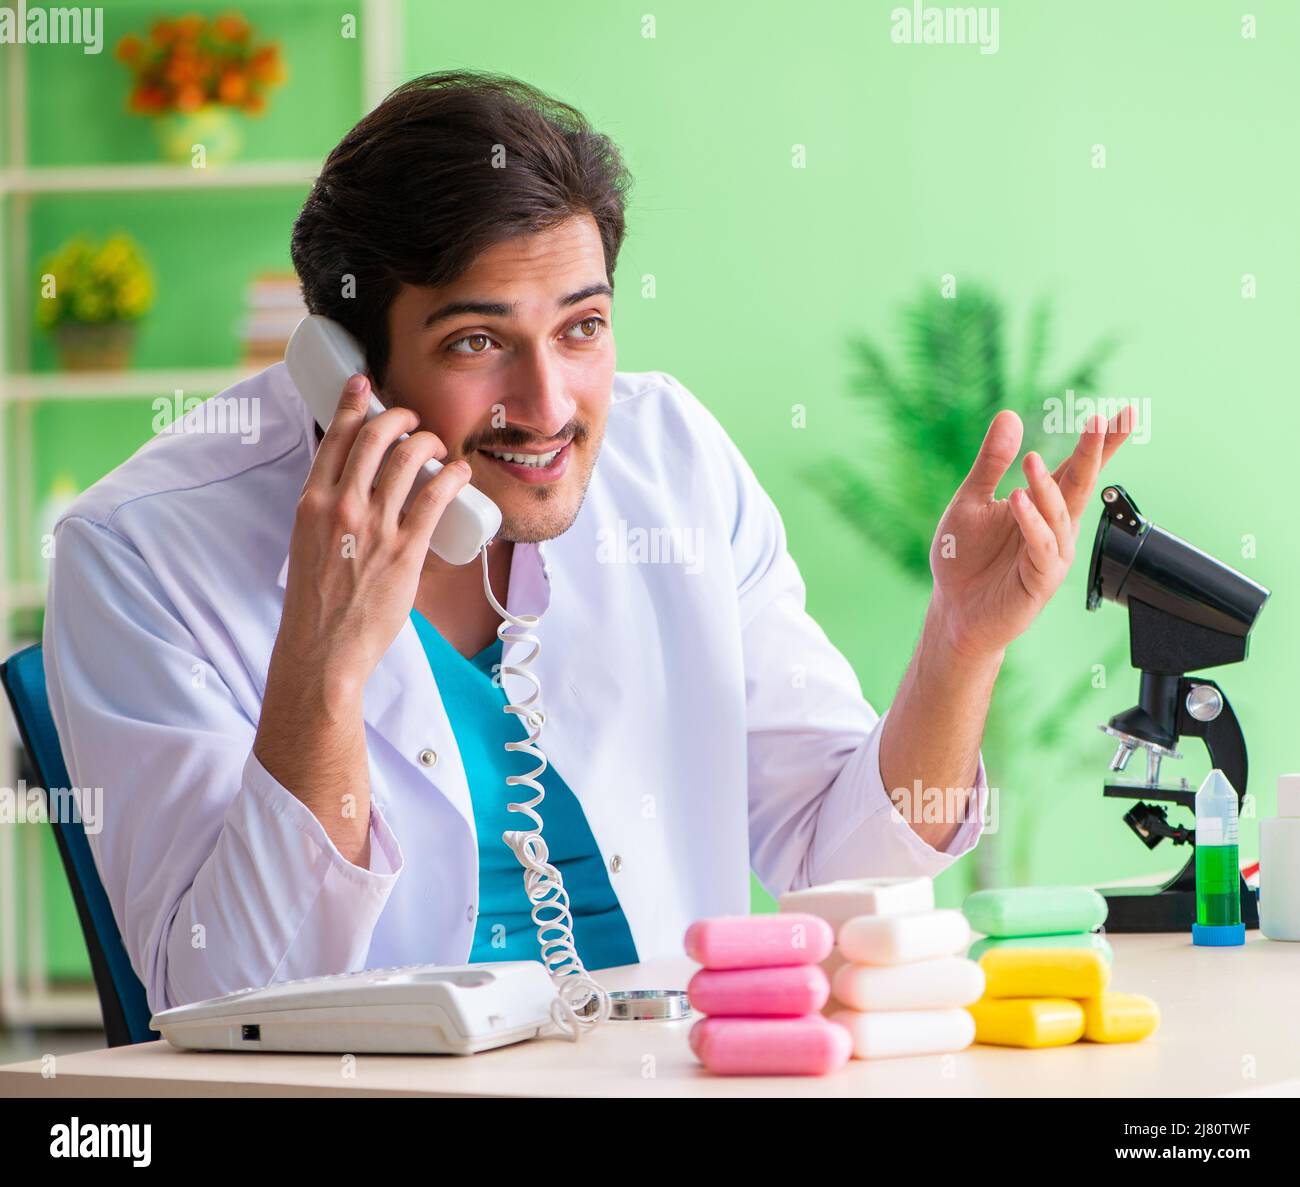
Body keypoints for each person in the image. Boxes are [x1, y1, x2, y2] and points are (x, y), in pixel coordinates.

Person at [43, 71, 1132, 1015]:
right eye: (478, 340)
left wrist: (959, 645)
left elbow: (832, 861)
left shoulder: (673, 464)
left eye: (582, 327)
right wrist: (322, 666)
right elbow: (217, 1003)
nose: (548, 401)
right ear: (343, 364)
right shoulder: (140, 552)